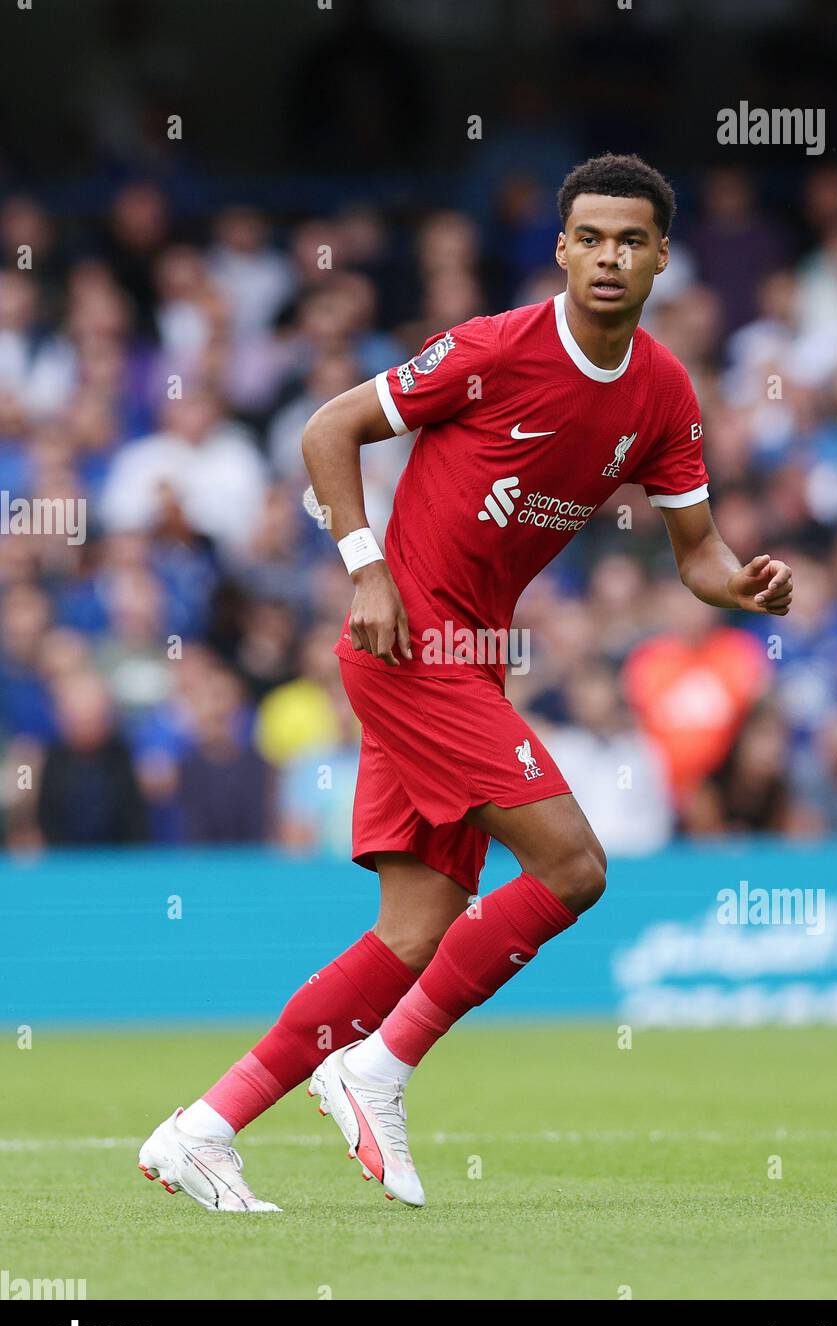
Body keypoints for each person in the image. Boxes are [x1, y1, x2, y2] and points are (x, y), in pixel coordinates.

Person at [138, 152, 793, 1212]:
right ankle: (376, 1069)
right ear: (561, 250)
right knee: (575, 868)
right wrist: (366, 569)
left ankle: (201, 1130)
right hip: (408, 646)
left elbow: (698, 551)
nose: (609, 257)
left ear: (662, 256)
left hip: (471, 658)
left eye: (631, 240)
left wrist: (743, 586)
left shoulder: (663, 393)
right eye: (590, 238)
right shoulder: (496, 348)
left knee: (414, 930)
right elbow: (327, 427)